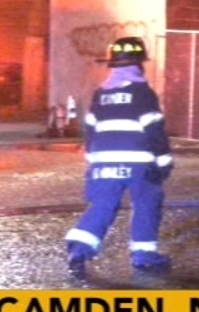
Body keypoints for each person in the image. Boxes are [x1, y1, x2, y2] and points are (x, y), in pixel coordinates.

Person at [65, 37, 174, 276]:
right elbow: (154, 129)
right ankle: (144, 255)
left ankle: (78, 250)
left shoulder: (100, 94)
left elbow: (91, 128)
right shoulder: (143, 92)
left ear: (113, 65)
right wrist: (164, 161)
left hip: (104, 162)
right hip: (139, 162)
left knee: (102, 205)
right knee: (146, 204)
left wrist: (93, 161)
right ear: (138, 64)